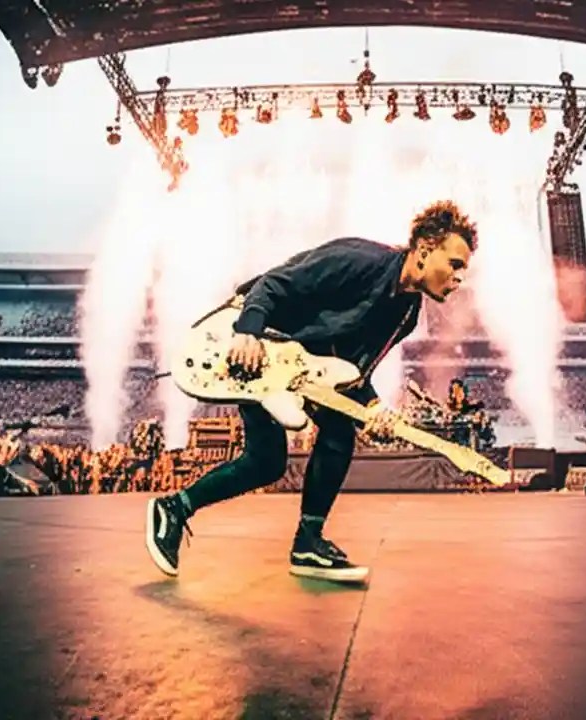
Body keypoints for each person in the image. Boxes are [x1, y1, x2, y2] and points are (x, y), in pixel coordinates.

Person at [146, 200, 478, 582]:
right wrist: (248, 332)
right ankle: (175, 509)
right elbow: (274, 283)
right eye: (455, 264)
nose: (458, 279)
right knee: (278, 456)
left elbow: (352, 373)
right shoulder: (358, 259)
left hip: (300, 367)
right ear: (424, 251)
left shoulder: (406, 316)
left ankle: (305, 542)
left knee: (310, 444)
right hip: (258, 344)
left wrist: (373, 409)